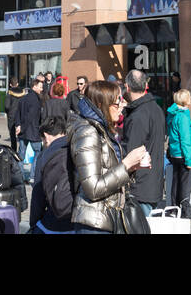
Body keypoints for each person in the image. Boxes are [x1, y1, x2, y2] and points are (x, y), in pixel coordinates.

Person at [68, 79, 149, 233]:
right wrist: (126, 164)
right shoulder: (88, 132)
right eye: (117, 102)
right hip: (94, 223)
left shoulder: (104, 130)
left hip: (107, 218)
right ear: (102, 105)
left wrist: (132, 167)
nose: (122, 106)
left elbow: (109, 172)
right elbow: (93, 188)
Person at [121, 69, 166, 217]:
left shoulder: (138, 115)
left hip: (140, 187)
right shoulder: (156, 109)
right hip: (152, 182)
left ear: (127, 87)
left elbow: (131, 155)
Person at [30, 118, 75, 234]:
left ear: (45, 135)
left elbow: (38, 196)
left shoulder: (45, 155)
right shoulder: (75, 147)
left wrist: (33, 224)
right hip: (78, 219)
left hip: (54, 222)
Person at [165, 88, 191, 219]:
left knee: (176, 182)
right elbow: (185, 140)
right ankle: (186, 211)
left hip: (175, 153)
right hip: (183, 154)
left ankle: (174, 208)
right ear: (185, 100)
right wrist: (189, 160)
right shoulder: (182, 116)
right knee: (185, 184)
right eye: (189, 97)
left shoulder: (173, 114)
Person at [13, 77, 44, 174]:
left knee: (21, 153)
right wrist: (21, 128)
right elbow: (30, 117)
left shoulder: (23, 98)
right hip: (33, 131)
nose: (41, 89)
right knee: (38, 152)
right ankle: (33, 174)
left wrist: (18, 125)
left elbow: (17, 113)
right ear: (34, 87)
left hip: (24, 131)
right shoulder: (35, 100)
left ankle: (20, 174)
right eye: (40, 87)